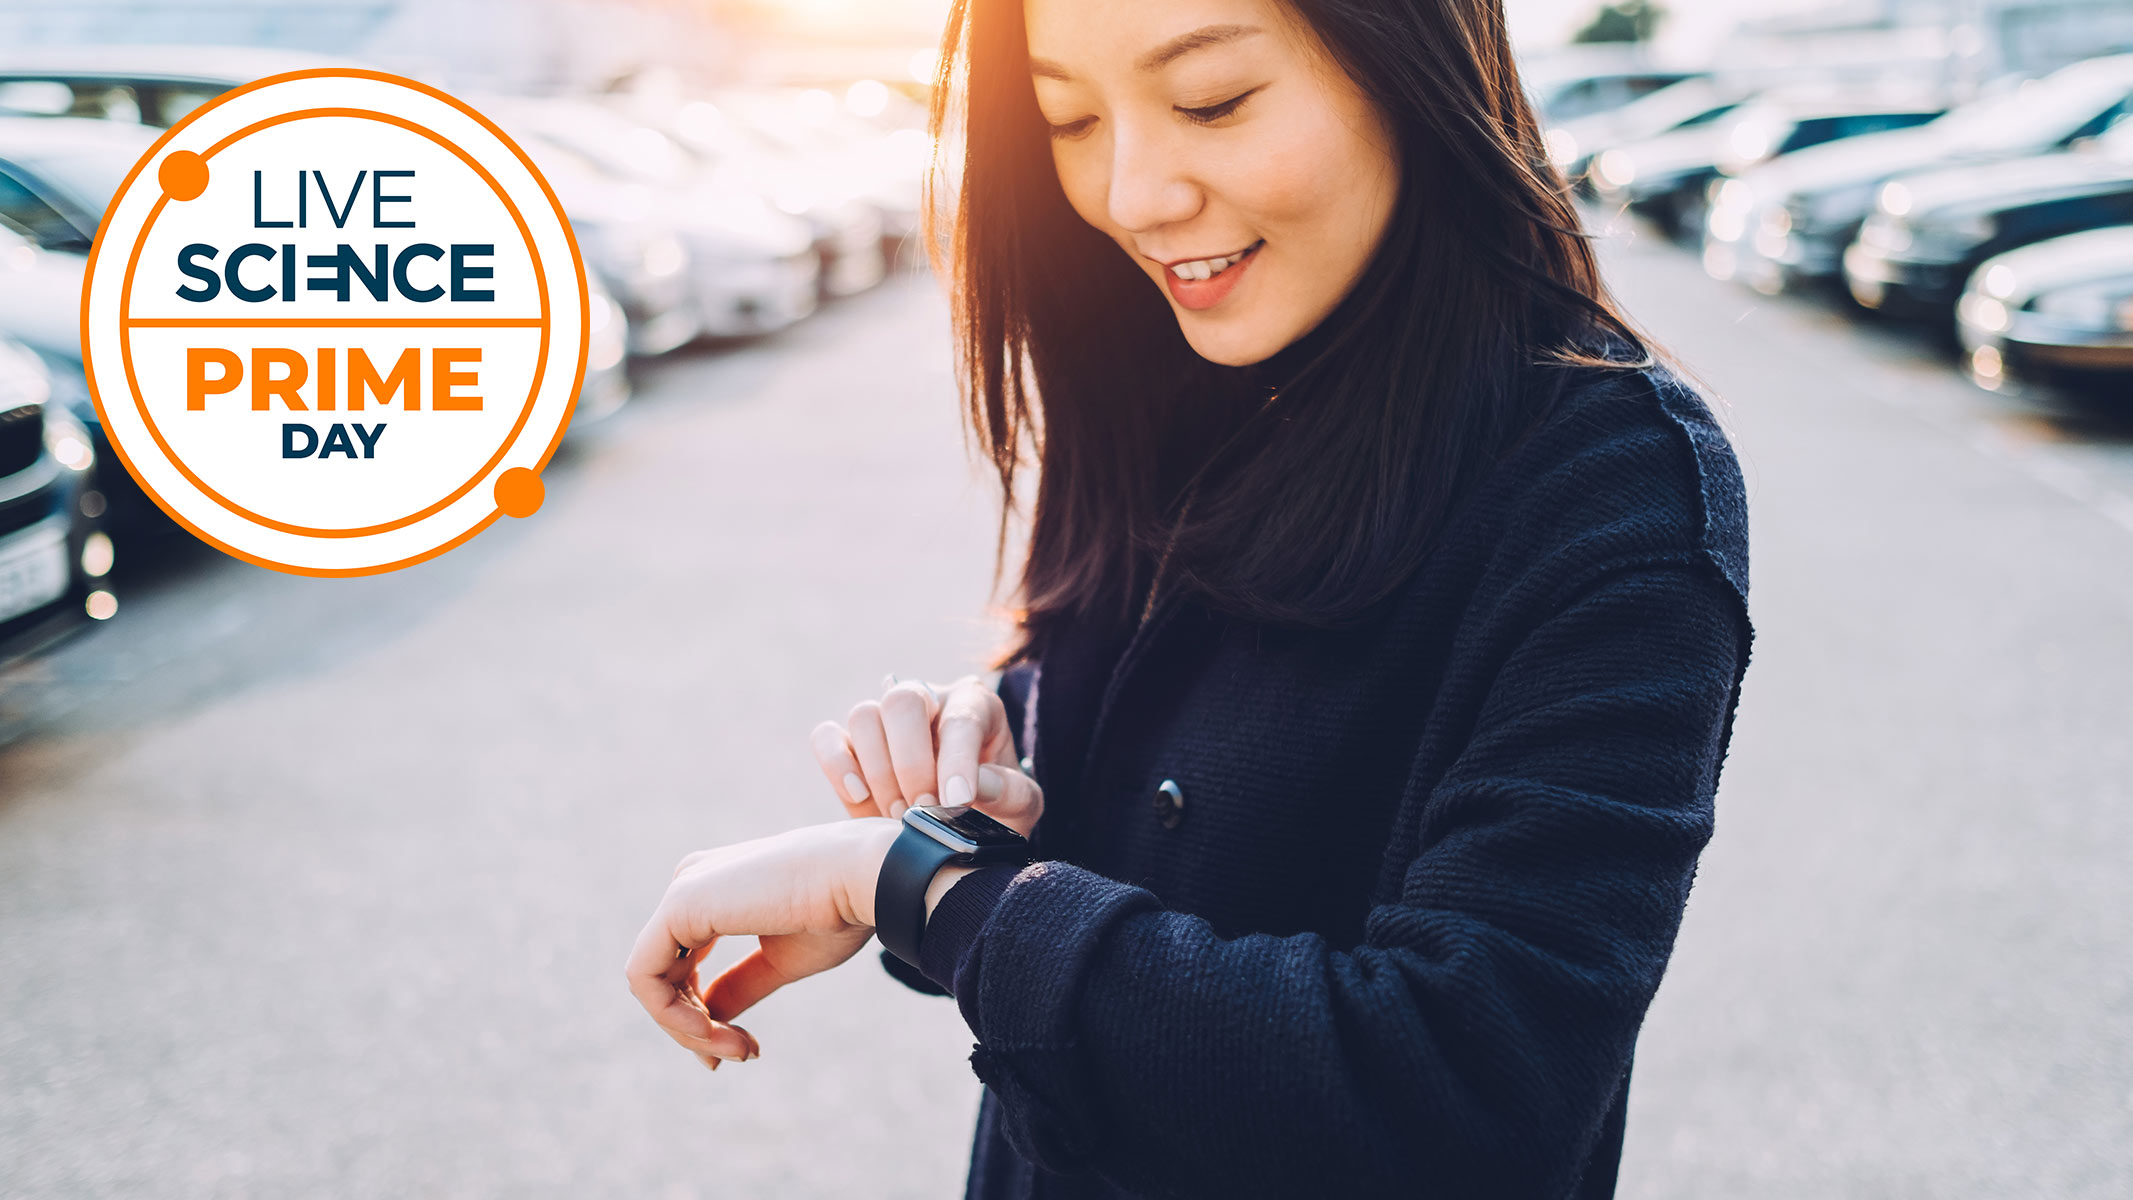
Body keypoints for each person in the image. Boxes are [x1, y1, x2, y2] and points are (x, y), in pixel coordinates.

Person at [624, 0, 1756, 1195]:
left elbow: (1461, 1097)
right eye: (1069, 116)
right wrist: (979, 794)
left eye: (1212, 101)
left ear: (1412, 59)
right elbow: (1140, 831)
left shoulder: (1611, 489)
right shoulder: (1161, 366)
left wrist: (916, 889)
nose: (1131, 194)